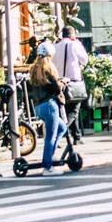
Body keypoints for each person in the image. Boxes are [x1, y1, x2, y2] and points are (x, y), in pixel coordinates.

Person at [28, 43, 67, 176]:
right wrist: (62, 83)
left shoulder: (34, 69)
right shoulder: (49, 68)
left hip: (38, 106)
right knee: (50, 136)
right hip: (50, 105)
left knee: (62, 128)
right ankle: (47, 166)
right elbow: (56, 88)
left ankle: (49, 155)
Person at [53, 26, 89, 142]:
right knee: (74, 110)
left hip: (60, 83)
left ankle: (76, 136)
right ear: (72, 35)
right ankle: (60, 132)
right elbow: (84, 60)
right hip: (73, 82)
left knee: (66, 109)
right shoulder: (75, 45)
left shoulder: (55, 47)